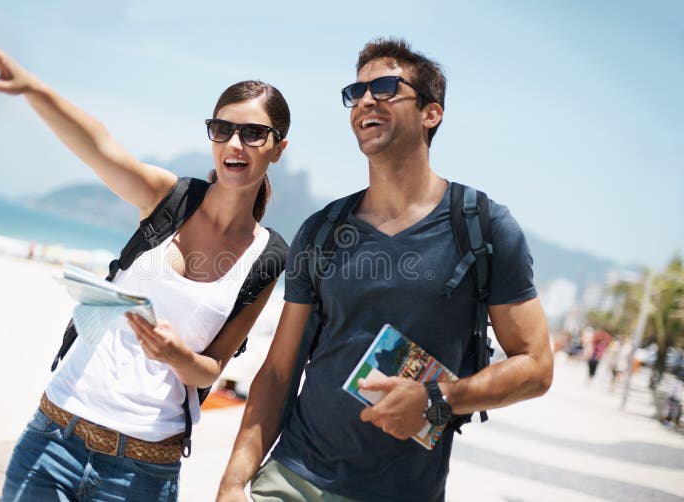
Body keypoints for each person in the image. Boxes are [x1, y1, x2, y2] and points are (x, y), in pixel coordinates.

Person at [0, 23, 290, 501]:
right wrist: (31, 86)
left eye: (253, 133)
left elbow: (209, 370)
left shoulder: (268, 256)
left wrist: (177, 356)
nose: (234, 144)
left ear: (278, 147)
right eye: (223, 129)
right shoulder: (169, 198)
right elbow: (98, 147)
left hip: (142, 473)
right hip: (53, 439)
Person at [217, 38, 553, 502]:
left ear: (431, 113)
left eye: (386, 87)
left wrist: (438, 400)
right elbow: (278, 372)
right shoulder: (323, 230)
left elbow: (536, 366)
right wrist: (234, 482)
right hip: (293, 478)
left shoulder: (483, 226)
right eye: (356, 93)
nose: (366, 101)